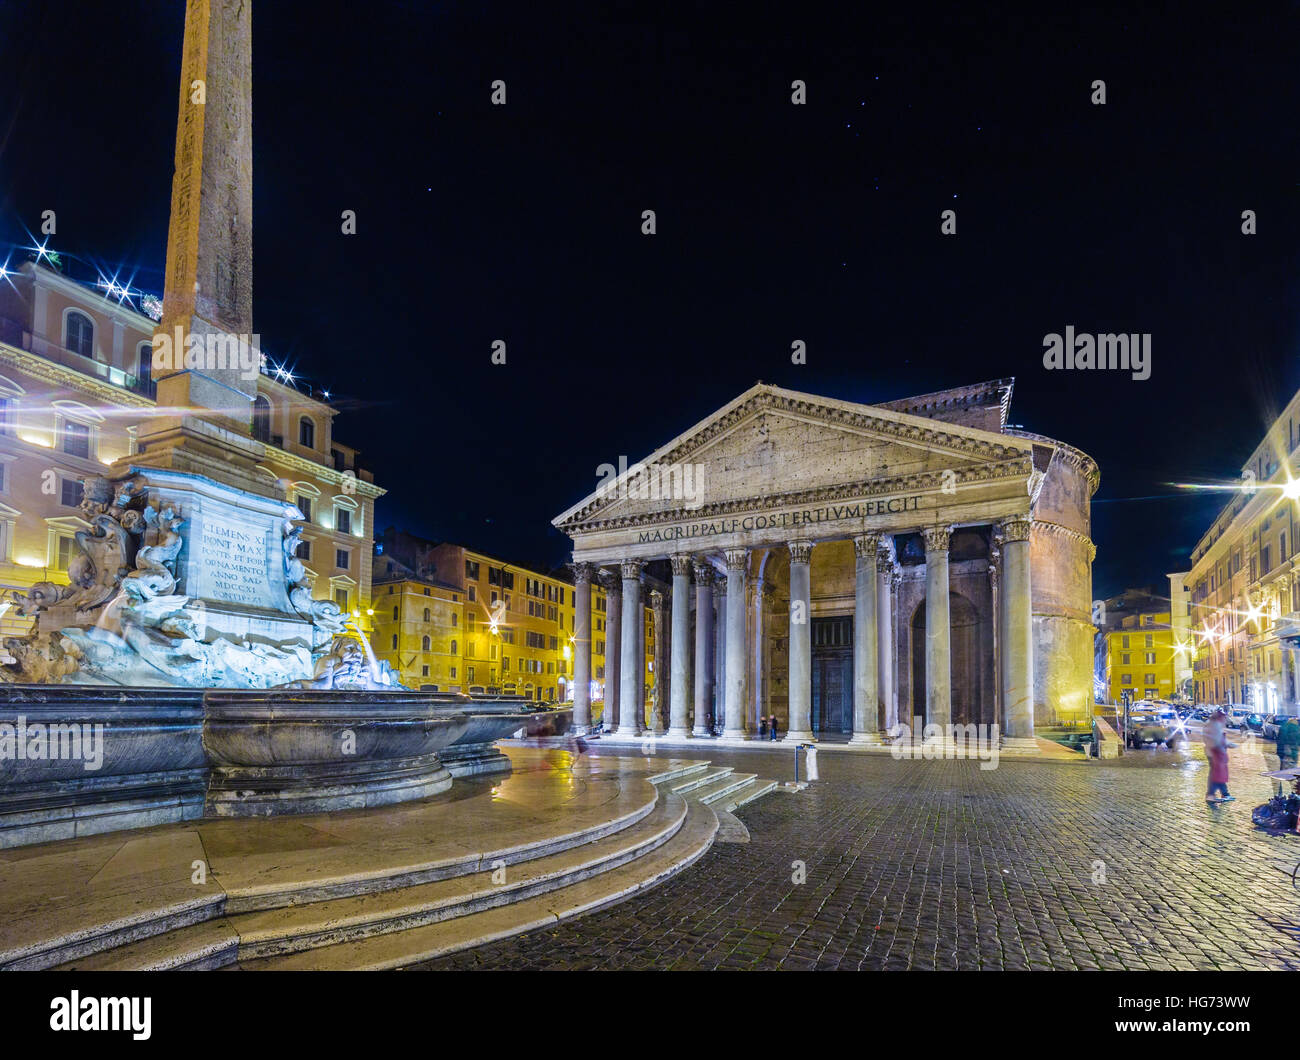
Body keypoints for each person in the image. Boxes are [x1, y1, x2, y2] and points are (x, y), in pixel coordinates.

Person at [1203, 708, 1236, 803]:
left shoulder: (1210, 724)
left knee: (1217, 774)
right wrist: (1228, 745)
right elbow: (1218, 741)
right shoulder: (1215, 726)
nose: (1225, 720)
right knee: (1216, 774)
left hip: (1212, 752)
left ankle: (1224, 793)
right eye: (1224, 718)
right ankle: (1211, 794)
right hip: (1215, 754)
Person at [1275, 716, 1300, 795]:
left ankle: (1281, 793)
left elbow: (1279, 741)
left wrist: (1280, 753)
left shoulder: (1284, 727)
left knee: (1283, 774)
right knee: (1292, 775)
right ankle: (1293, 793)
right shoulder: (1296, 729)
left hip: (1284, 754)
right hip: (1292, 754)